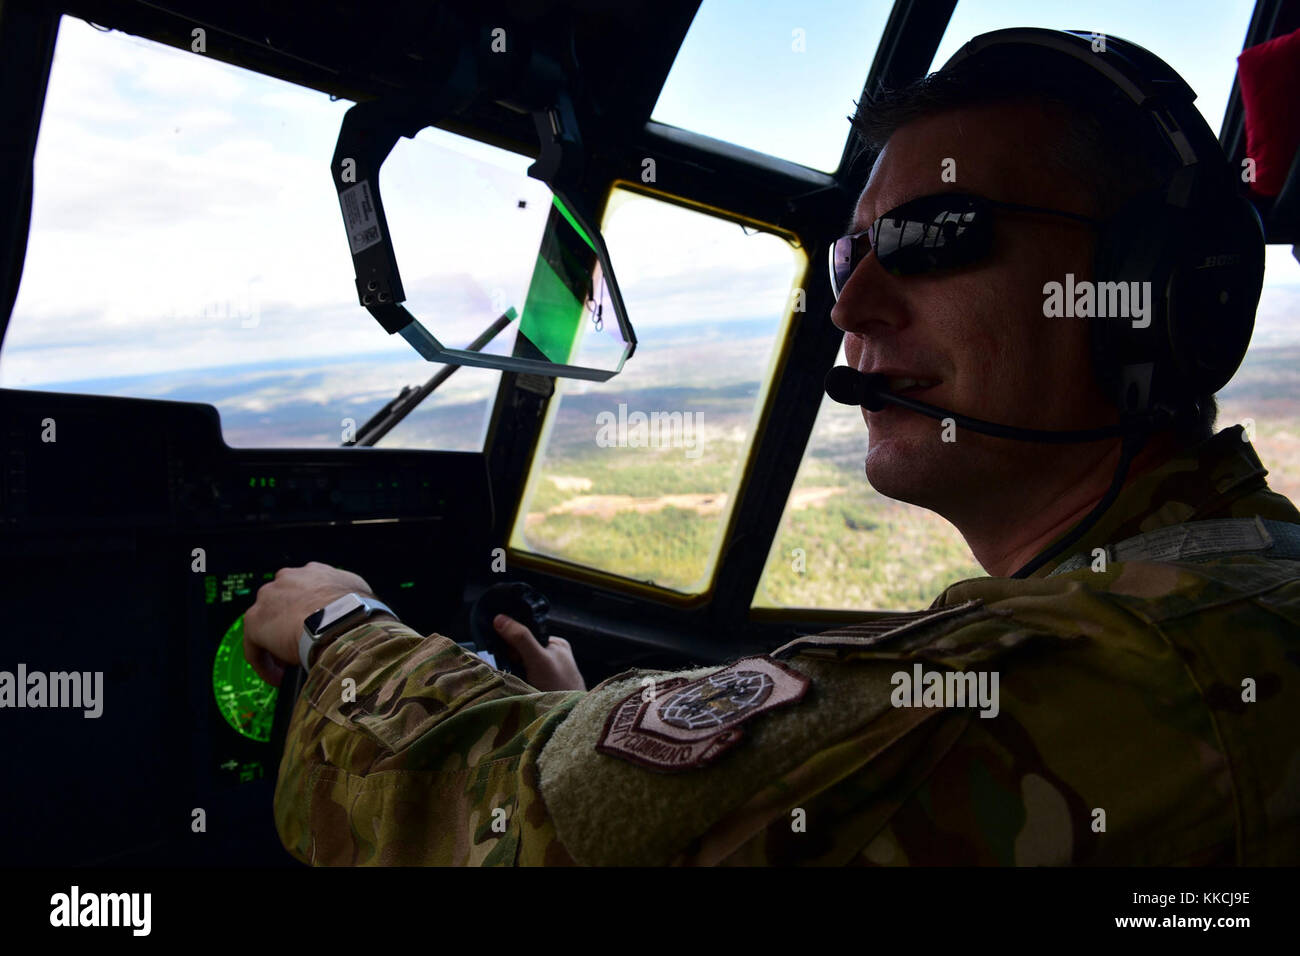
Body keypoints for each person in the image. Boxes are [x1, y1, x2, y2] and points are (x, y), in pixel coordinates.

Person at [244, 31, 1300, 865]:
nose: (851, 299)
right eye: (852, 248)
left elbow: (510, 833)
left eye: (935, 234)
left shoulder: (1089, 668)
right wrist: (583, 727)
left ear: (1153, 294)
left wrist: (340, 626)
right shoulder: (1232, 587)